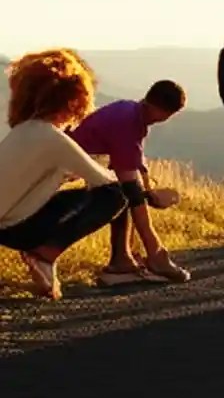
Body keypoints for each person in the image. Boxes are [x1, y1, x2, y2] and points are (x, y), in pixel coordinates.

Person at [0, 49, 130, 299]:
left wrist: (67, 174)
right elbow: (105, 181)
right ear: (72, 99)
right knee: (118, 194)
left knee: (75, 196)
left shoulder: (22, 131)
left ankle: (45, 258)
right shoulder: (54, 138)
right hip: (19, 230)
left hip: (6, 225)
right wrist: (145, 189)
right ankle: (46, 254)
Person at [68, 80, 191, 285]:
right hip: (65, 178)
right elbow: (131, 187)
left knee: (125, 191)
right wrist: (155, 248)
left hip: (79, 171)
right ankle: (153, 256)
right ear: (163, 112)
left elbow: (133, 163)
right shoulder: (128, 123)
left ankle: (122, 260)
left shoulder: (132, 112)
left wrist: (149, 190)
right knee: (126, 194)